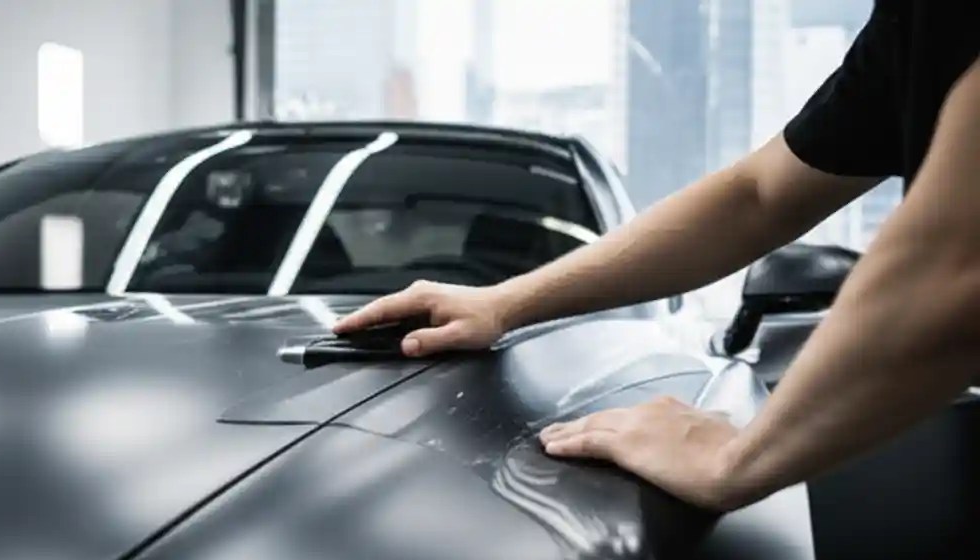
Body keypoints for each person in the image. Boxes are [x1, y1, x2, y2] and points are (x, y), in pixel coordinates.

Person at [333, 1, 980, 513]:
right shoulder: (916, 22)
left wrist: (738, 461)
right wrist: (502, 302)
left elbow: (957, 263)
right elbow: (760, 195)